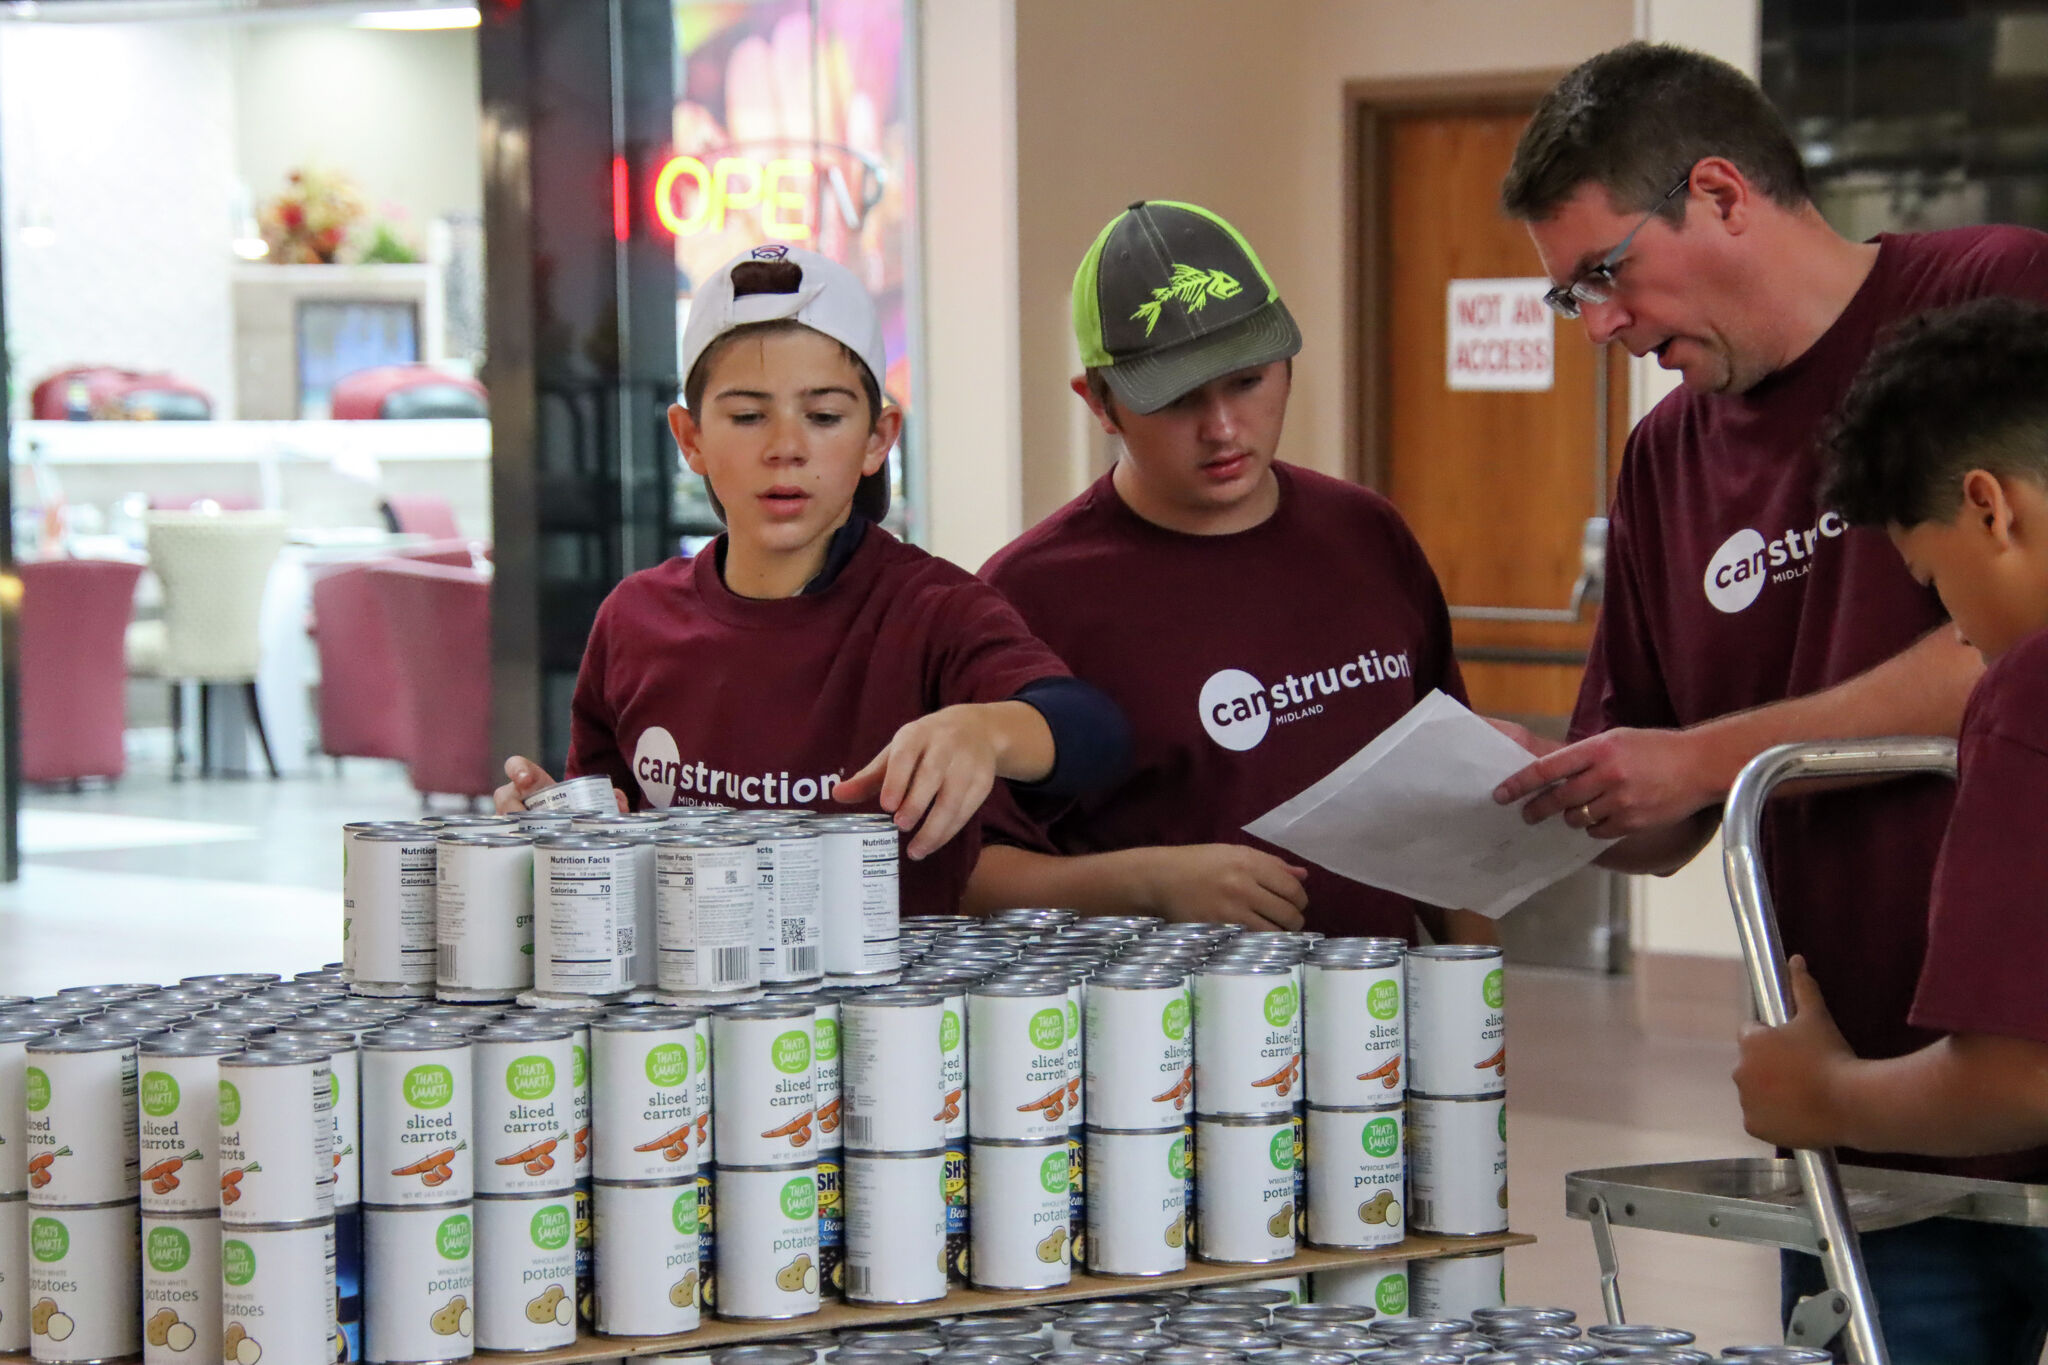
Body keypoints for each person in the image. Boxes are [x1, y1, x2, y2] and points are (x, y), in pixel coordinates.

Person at [1492, 42, 2048, 1359]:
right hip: (1865, 1112)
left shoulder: (1995, 306)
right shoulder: (1665, 463)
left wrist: (1704, 760)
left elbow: (2009, 653)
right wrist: (1557, 794)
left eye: (1602, 275)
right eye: (1570, 300)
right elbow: (1664, 789)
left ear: (1724, 193)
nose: (1601, 327)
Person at [494, 244, 1128, 916]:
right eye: (746, 415)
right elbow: (604, 824)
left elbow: (1095, 733)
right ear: (690, 437)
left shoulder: (933, 611)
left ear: (877, 438)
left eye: (824, 416)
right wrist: (552, 825)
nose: (785, 447)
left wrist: (986, 730)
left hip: (893, 1009)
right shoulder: (634, 619)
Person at [966, 199, 1492, 944]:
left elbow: (1450, 804)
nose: (1221, 428)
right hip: (1164, 1044)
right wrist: (1146, 885)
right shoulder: (1031, 594)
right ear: (1100, 402)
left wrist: (1475, 1021)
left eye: (1246, 381)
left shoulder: (1367, 535)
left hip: (1382, 1027)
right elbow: (965, 877)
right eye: (1179, 400)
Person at [1737, 299, 2048, 1161]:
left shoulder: (2030, 687)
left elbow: (2025, 1078)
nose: (1962, 630)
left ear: (1989, 508)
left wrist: (1824, 1095)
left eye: (1932, 577)